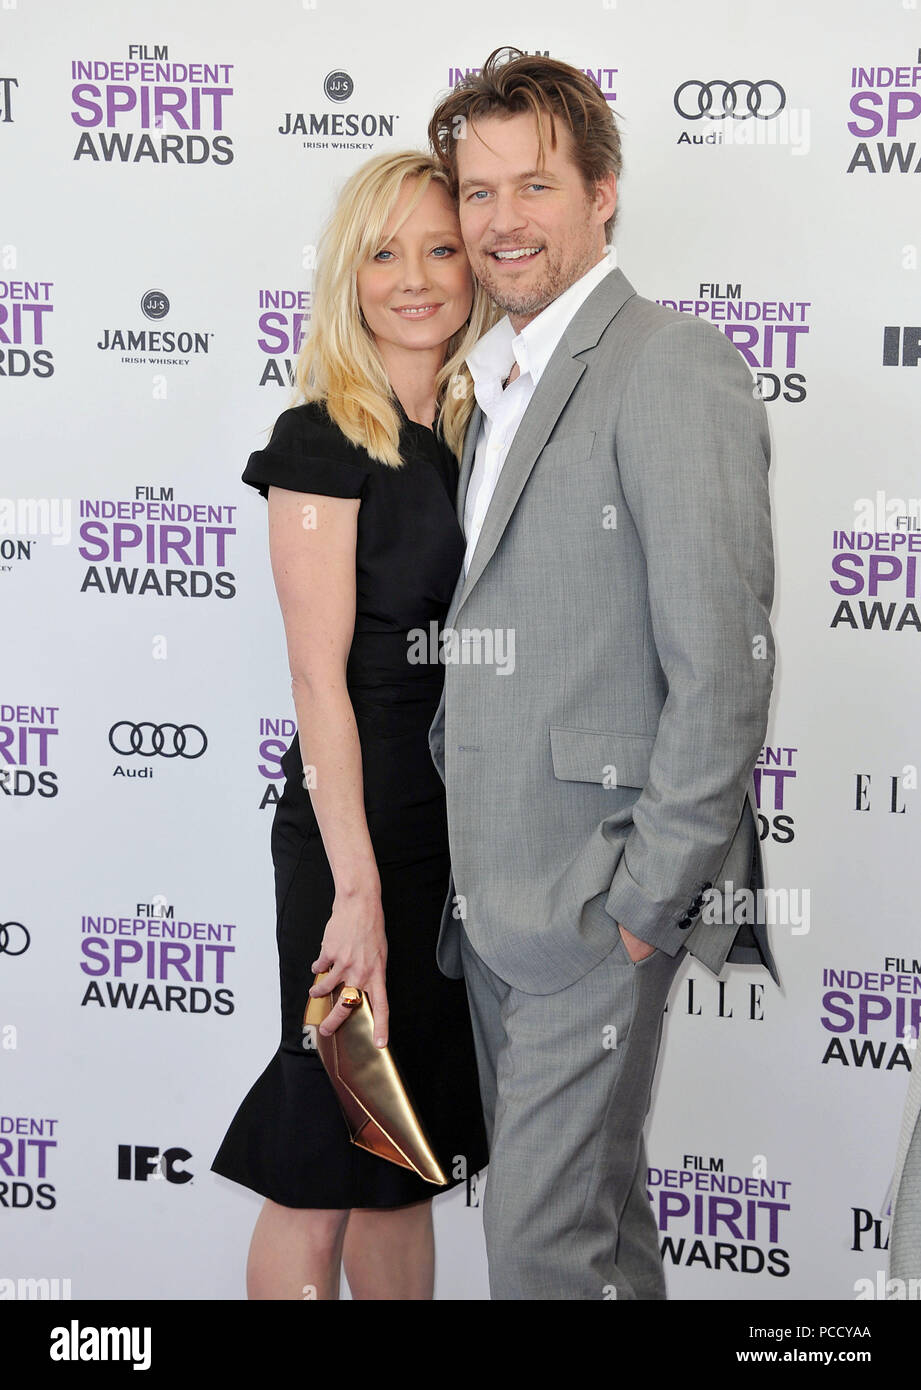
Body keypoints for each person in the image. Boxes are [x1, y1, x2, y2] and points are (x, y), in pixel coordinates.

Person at [425, 48, 777, 1300]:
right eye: (478, 193)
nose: (503, 221)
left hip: (594, 897)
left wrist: (642, 903)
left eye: (535, 186)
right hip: (496, 903)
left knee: (536, 1253)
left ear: (605, 191)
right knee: (598, 1241)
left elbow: (725, 666)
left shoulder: (668, 364)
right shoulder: (498, 379)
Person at [211, 150, 493, 1300]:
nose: (416, 278)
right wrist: (357, 894)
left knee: (401, 1162)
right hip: (352, 840)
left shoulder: (489, 433)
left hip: (452, 838)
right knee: (325, 1167)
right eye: (385, 252)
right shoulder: (325, 434)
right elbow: (317, 682)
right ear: (350, 274)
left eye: (440, 248)